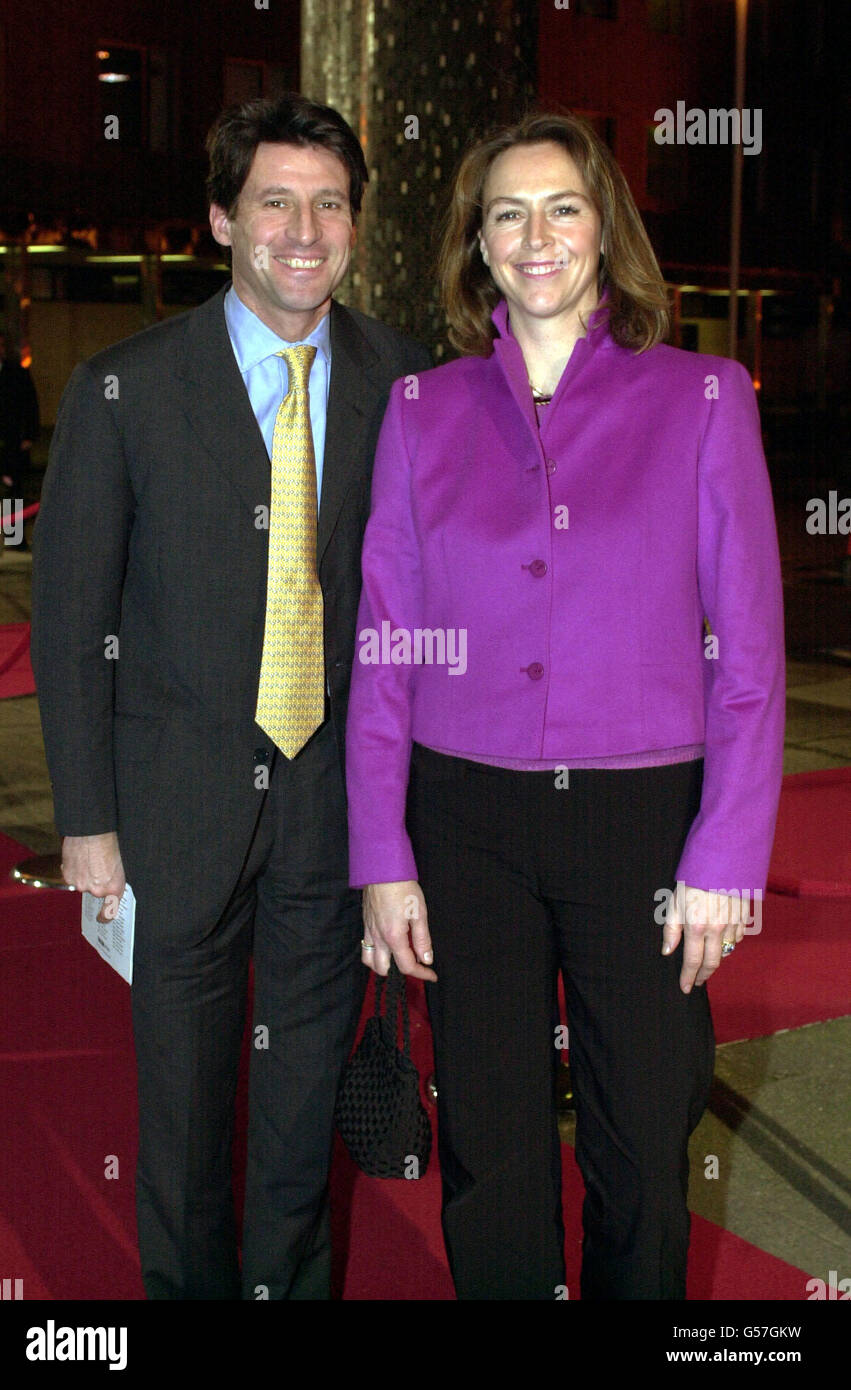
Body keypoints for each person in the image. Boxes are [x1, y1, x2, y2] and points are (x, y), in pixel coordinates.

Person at [345, 111, 785, 1300]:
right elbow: (385, 645)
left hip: (642, 823)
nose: (534, 236)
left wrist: (726, 851)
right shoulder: (422, 412)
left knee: (641, 1132)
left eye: (561, 207)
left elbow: (747, 649)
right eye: (506, 212)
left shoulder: (700, 397)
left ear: (604, 230)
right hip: (463, 820)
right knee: (489, 1142)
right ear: (476, 242)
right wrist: (379, 853)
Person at [31, 94, 430, 1300]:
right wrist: (88, 825)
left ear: (356, 224)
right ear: (221, 219)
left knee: (300, 1119)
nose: (304, 229)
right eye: (274, 201)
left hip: (331, 818)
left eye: (329, 204)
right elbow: (69, 620)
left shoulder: (404, 383)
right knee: (187, 1120)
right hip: (173, 813)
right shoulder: (124, 391)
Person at [0, 329, 39, 492]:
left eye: (1, 346)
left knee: (9, 492)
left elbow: (31, 406)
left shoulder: (17, 374)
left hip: (9, 441)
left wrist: (29, 435)